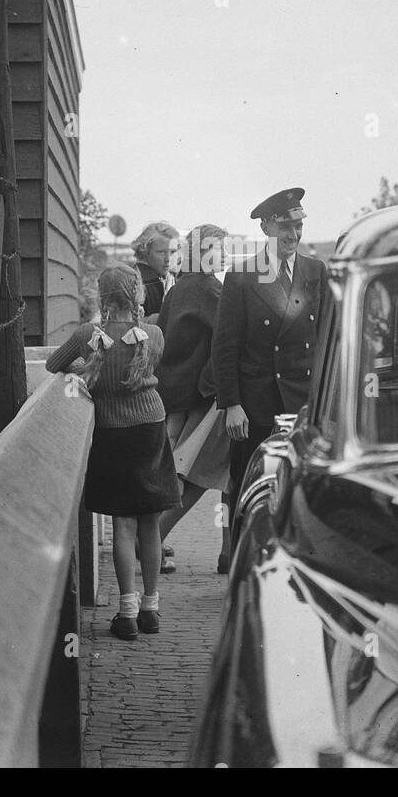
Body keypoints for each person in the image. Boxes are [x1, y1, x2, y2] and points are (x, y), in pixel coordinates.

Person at [45, 263, 181, 640]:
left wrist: (86, 366)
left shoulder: (89, 333)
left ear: (102, 297)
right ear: (137, 294)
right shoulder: (153, 333)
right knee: (150, 522)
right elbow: (150, 366)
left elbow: (54, 364)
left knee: (123, 525)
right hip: (151, 429)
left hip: (113, 432)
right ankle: (152, 609)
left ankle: (127, 612)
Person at [213, 187, 328, 525]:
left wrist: (325, 401)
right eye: (284, 228)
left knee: (301, 490)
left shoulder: (315, 272)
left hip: (303, 403)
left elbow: (323, 339)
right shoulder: (242, 276)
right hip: (255, 406)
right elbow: (225, 345)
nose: (292, 235)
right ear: (265, 228)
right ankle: (243, 564)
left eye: (298, 228)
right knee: (250, 491)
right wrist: (231, 404)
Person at [155, 224, 232, 574]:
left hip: (174, 395)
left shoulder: (178, 289)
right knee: (197, 471)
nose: (225, 255)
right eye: (217, 249)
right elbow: (227, 343)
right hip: (205, 399)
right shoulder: (210, 289)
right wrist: (213, 386)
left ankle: (228, 551)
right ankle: (154, 539)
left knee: (196, 470)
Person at [129, 220, 179, 319]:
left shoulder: (132, 273)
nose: (168, 259)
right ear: (145, 251)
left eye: (173, 252)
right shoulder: (148, 282)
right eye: (161, 252)